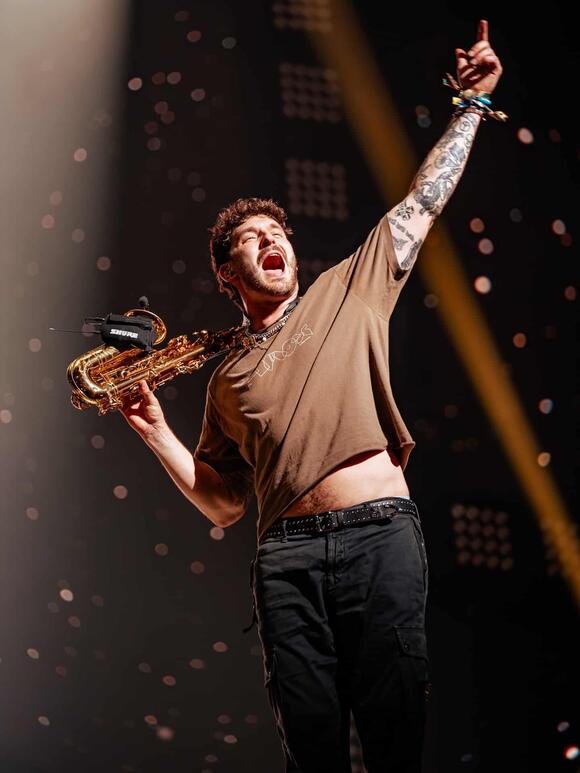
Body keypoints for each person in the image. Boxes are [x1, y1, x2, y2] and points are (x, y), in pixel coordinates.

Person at [121, 20, 503, 772]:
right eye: (251, 237)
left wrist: (472, 106)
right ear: (227, 274)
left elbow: (423, 202)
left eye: (279, 231)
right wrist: (155, 430)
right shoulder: (226, 378)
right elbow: (224, 504)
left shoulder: (348, 288)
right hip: (285, 557)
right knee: (309, 745)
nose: (272, 240)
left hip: (378, 533)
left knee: (394, 733)